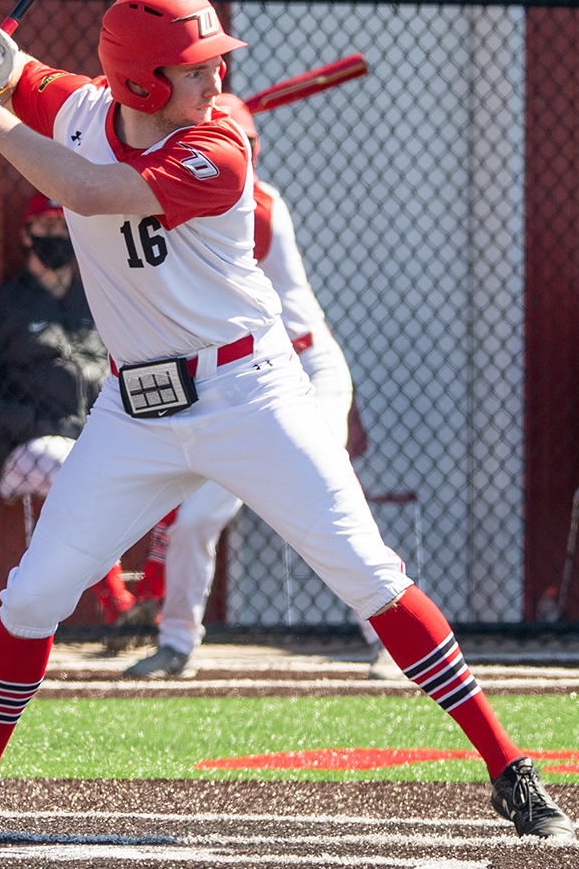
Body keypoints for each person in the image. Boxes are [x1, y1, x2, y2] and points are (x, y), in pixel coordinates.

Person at [0, 0, 573, 839]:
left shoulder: (218, 153)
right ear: (140, 85)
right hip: (134, 409)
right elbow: (36, 80)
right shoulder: (80, 109)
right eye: (201, 67)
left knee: (368, 575)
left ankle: (509, 767)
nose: (218, 81)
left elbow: (93, 192)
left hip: (250, 393)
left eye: (218, 64)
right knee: (32, 597)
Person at [120, 93, 398, 679]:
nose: (228, 153)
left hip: (307, 370)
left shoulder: (261, 205)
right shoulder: (177, 191)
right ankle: (176, 642)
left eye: (241, 144)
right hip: (243, 379)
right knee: (196, 518)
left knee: (325, 506)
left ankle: (391, 639)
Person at [0, 193, 138, 623]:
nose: (58, 238)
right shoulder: (0, 309)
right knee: (69, 467)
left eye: (65, 229)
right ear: (26, 235)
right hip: (23, 451)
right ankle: (117, 604)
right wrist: (29, 423)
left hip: (93, 443)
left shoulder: (96, 304)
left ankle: (158, 606)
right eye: (47, 229)